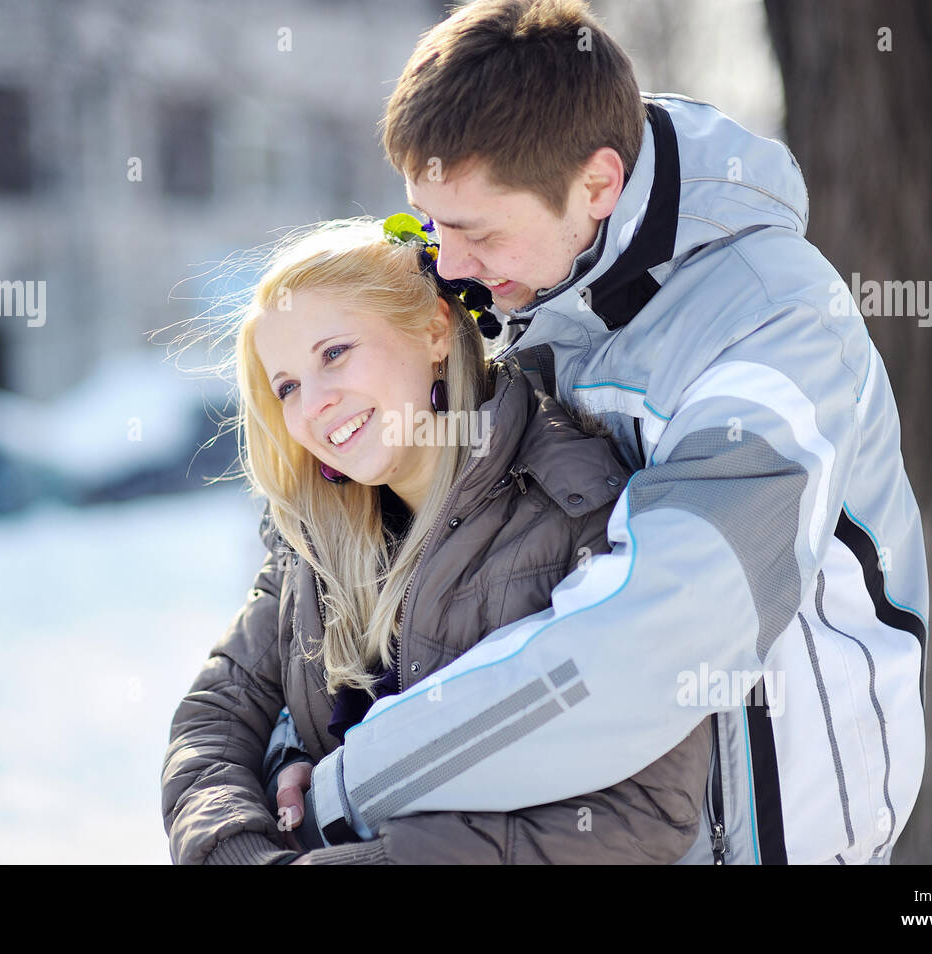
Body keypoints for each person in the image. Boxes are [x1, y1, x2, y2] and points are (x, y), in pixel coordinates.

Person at [288, 0, 929, 865]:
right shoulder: (533, 287)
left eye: (474, 230)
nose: (445, 264)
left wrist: (356, 778)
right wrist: (299, 730)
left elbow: (648, 646)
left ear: (598, 185)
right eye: (430, 222)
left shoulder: (771, 332)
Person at [160, 216, 712, 864]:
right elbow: (214, 718)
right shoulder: (310, 543)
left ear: (432, 331)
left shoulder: (572, 500)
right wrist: (242, 847)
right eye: (287, 387)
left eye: (334, 353)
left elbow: (647, 810)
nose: (312, 406)